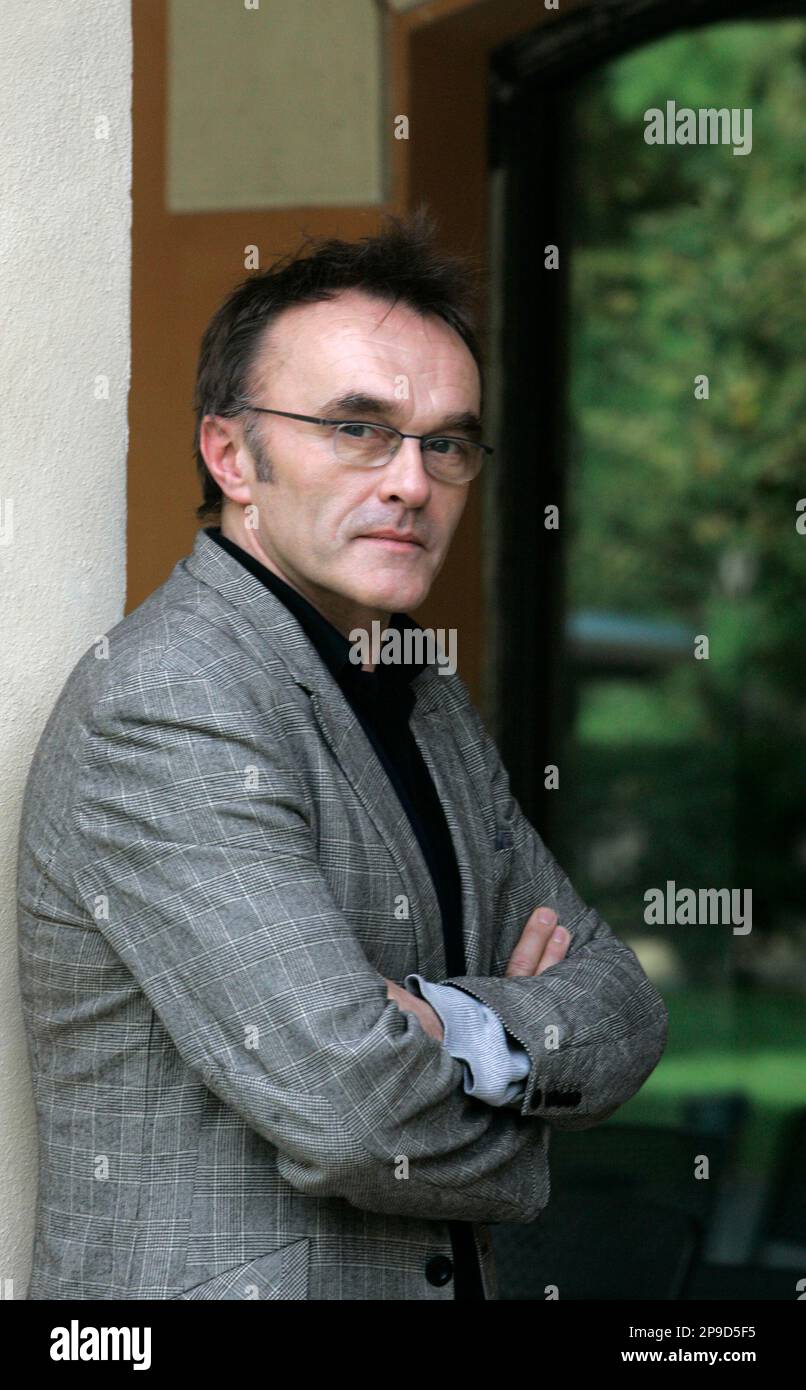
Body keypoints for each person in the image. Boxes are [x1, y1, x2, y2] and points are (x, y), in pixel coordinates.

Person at [16, 211, 668, 1301]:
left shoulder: (422, 690)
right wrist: (523, 1115)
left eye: (445, 441)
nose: (411, 482)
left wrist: (444, 1023)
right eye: (357, 429)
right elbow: (355, 1114)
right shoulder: (169, 701)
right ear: (231, 455)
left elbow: (624, 1008)